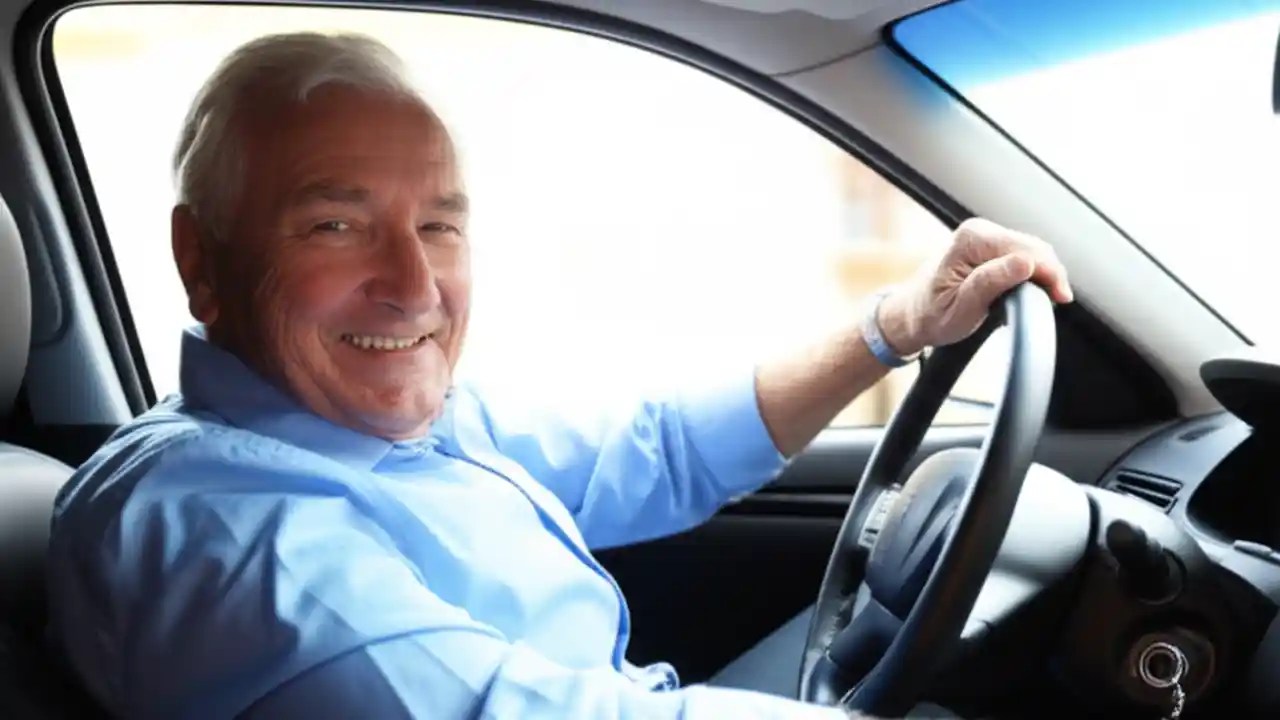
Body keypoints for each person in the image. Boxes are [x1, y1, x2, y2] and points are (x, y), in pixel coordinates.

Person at [44, 32, 1073, 720]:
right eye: (335, 225)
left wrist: (894, 326)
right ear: (200, 261)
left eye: (438, 224)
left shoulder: (388, 424)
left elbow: (656, 448)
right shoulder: (214, 530)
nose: (414, 286)